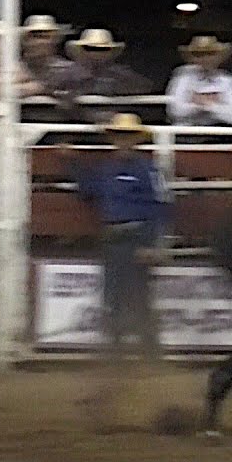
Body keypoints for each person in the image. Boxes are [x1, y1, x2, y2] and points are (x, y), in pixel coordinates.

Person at [59, 113, 172, 356]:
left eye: (128, 136)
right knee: (113, 296)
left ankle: (148, 352)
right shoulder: (107, 169)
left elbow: (160, 206)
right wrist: (72, 162)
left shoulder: (147, 169)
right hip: (114, 239)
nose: (123, 141)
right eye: (120, 136)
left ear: (136, 140)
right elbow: (88, 187)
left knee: (139, 295)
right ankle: (117, 351)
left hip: (136, 238)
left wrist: (152, 243)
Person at [165, 35, 232, 126]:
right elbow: (175, 111)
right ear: (192, 58)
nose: (205, 58)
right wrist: (214, 107)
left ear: (219, 57)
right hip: (186, 133)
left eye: (210, 54)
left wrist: (207, 105)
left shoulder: (227, 80)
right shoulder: (183, 77)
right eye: (199, 55)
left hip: (218, 133)